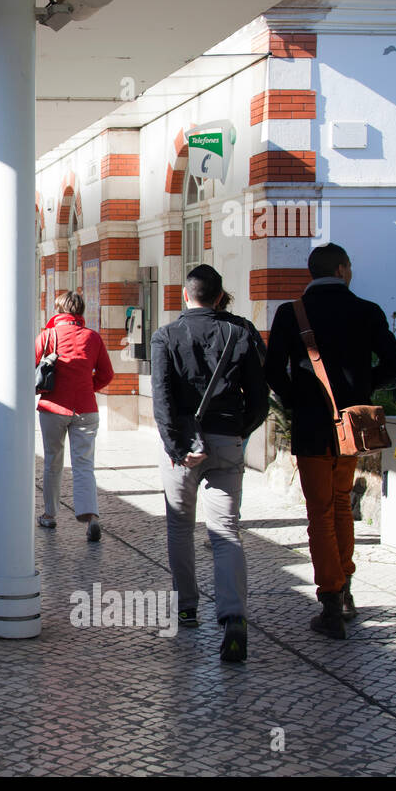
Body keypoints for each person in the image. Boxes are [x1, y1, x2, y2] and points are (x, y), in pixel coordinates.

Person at [265, 243, 396, 640]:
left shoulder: (290, 314)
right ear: (343, 270)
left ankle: (329, 600)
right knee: (342, 502)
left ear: (312, 273)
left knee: (319, 511)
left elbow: (273, 370)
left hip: (312, 427)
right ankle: (345, 588)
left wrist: (297, 400)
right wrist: (361, 389)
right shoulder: (368, 310)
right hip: (353, 428)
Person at [152, 265, 268, 662]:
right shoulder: (241, 332)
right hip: (226, 440)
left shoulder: (166, 335)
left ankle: (186, 607)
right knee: (225, 530)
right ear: (220, 297)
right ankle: (234, 616)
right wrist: (239, 430)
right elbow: (259, 396)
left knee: (180, 527)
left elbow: (162, 401)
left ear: (186, 296)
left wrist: (175, 446)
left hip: (183, 446)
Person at [35, 291, 113, 542]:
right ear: (81, 312)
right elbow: (107, 374)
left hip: (53, 407)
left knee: (52, 461)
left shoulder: (47, 336)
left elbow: (30, 367)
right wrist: (88, 386)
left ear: (58, 311)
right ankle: (90, 516)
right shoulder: (93, 337)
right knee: (84, 464)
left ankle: (49, 514)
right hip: (86, 408)